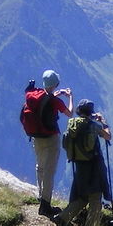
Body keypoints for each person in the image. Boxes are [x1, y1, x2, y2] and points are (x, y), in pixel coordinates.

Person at [58, 99, 112, 226]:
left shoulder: (72, 124)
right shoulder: (93, 126)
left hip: (79, 166)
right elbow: (108, 136)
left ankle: (63, 218)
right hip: (94, 167)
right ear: (91, 113)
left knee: (82, 197)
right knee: (95, 199)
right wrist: (103, 122)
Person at [29, 69, 73, 217]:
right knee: (50, 171)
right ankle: (45, 205)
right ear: (56, 83)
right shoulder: (55, 101)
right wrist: (70, 97)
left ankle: (40, 195)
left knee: (39, 166)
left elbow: (45, 101)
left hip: (36, 137)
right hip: (51, 138)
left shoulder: (36, 96)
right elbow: (69, 113)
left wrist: (56, 94)